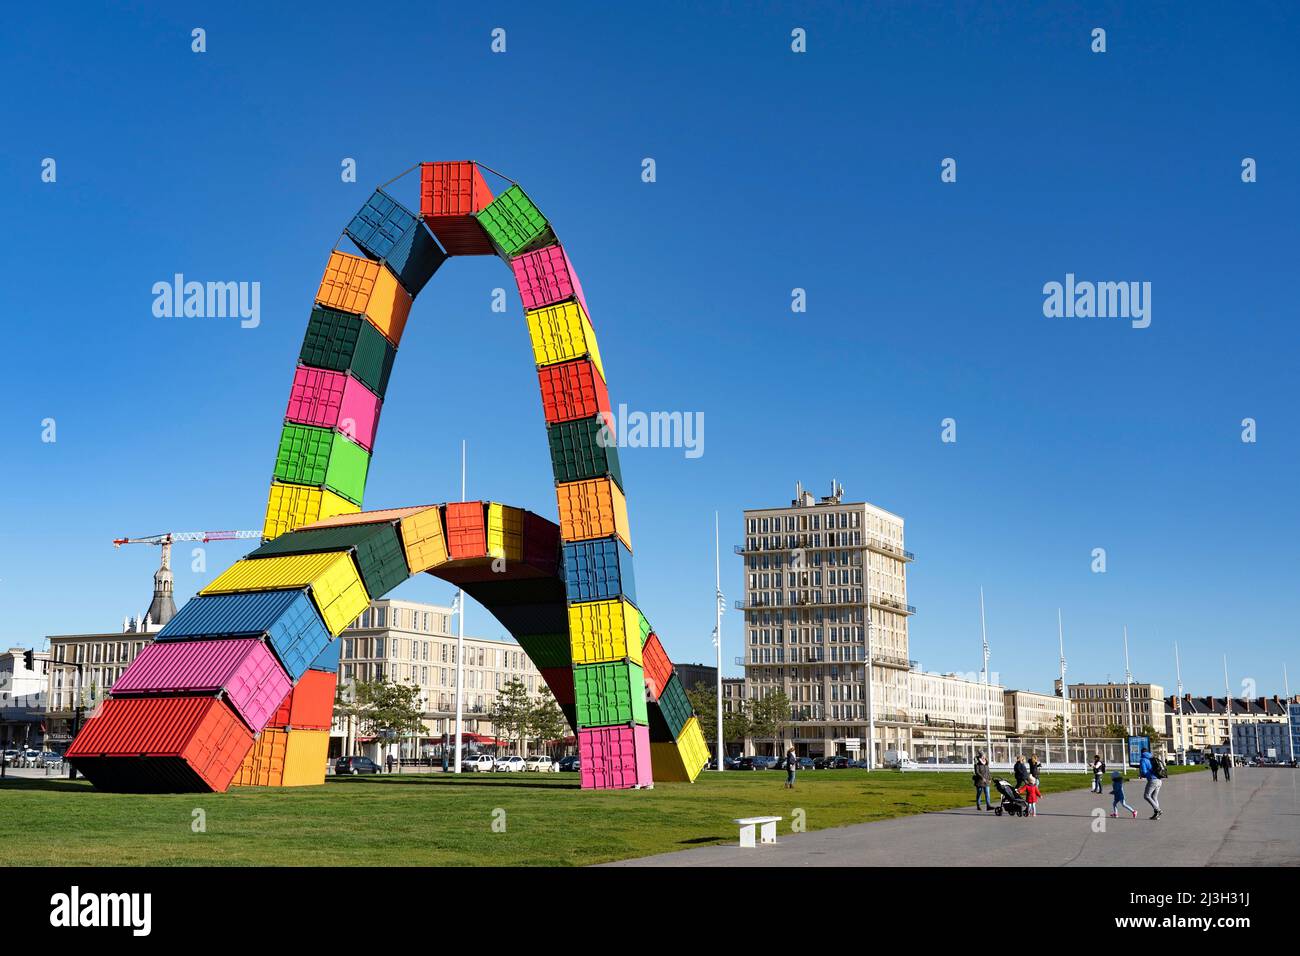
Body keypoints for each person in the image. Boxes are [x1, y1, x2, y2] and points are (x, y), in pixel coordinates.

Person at [1139, 748, 1164, 819]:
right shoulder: (1152, 758)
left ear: (1142, 753)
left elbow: (1144, 771)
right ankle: (1156, 814)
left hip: (1153, 780)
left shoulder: (1143, 759)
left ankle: (1158, 810)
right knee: (1154, 797)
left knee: (1146, 796)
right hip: (1159, 780)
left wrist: (1142, 775)